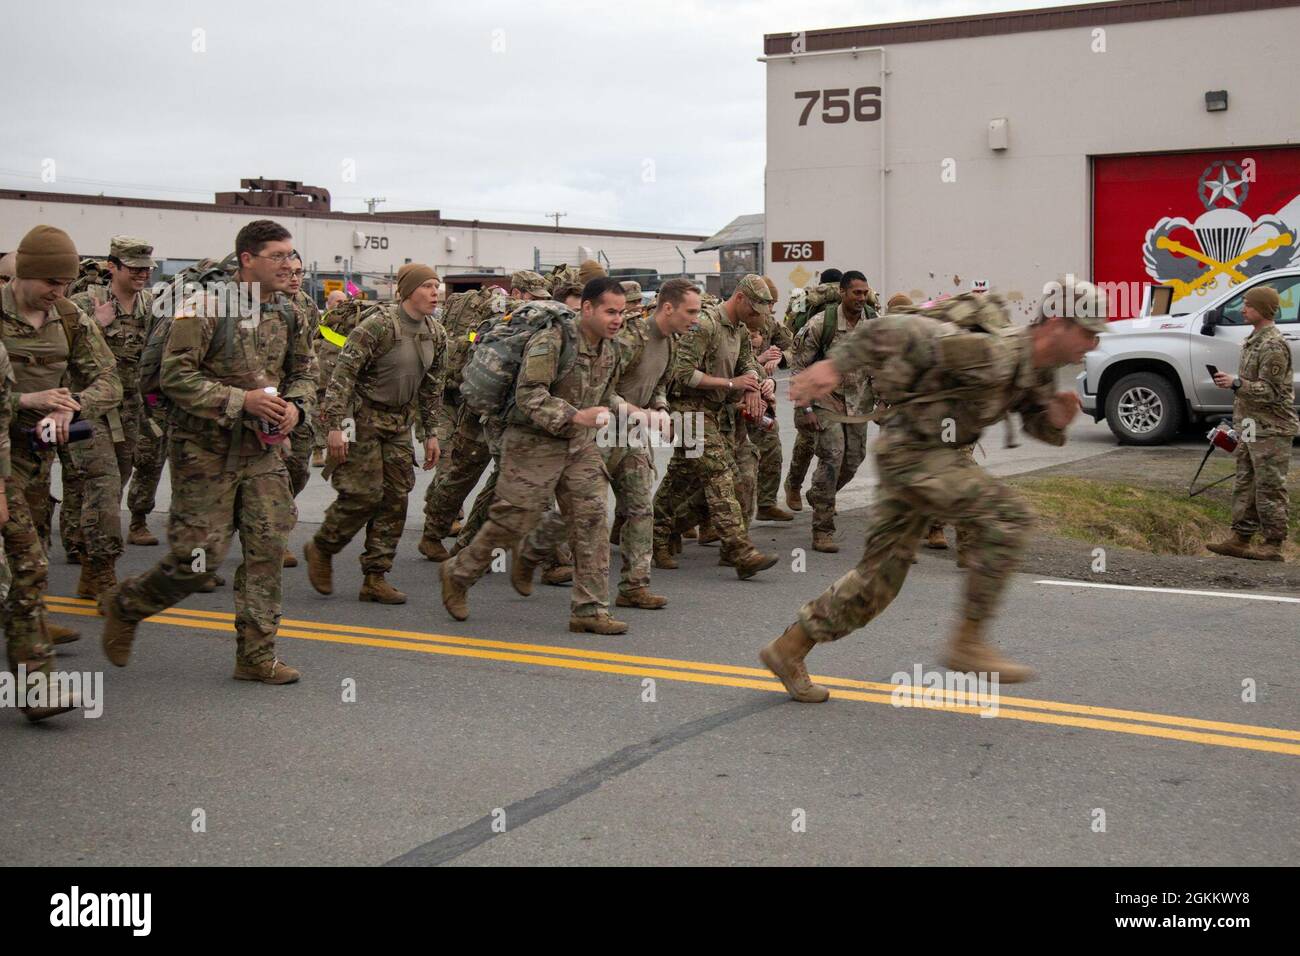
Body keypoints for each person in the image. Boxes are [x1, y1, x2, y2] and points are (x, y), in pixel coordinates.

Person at [760, 281, 1106, 702]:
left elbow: (1035, 421)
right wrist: (833, 367)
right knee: (1008, 517)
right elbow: (885, 332)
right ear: (1055, 323)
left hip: (931, 457)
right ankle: (969, 641)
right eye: (1087, 331)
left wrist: (1054, 418)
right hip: (914, 454)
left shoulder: (1037, 370)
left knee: (878, 580)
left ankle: (789, 648)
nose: (1093, 342)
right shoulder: (987, 351)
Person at [101, 219, 318, 684]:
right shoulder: (204, 307)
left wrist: (296, 408)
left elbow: (305, 369)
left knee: (267, 549)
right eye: (277, 255)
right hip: (205, 451)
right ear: (246, 259)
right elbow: (176, 378)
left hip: (262, 453)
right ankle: (127, 604)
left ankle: (256, 657)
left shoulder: (291, 311)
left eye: (291, 255)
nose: (289, 264)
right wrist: (243, 401)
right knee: (198, 560)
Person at [440, 276, 629, 634]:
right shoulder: (553, 339)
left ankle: (589, 609)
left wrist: (629, 409)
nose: (617, 319)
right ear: (587, 308)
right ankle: (459, 573)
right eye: (610, 311)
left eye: (621, 312)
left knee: (590, 519)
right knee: (511, 521)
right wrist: (574, 414)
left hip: (578, 444)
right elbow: (529, 395)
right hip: (533, 442)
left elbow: (604, 395)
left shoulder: (611, 348)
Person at [2, 225, 122, 719]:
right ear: (24, 273)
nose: (59, 291)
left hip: (33, 456)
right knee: (23, 567)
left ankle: (33, 681)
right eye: (50, 281)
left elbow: (109, 378)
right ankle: (37, 684)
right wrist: (24, 400)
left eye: (66, 282)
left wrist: (72, 406)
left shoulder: (69, 318)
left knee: (26, 567)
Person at [305, 264, 445, 602]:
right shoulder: (379, 325)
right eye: (427, 286)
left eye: (437, 286)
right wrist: (335, 427)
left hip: (399, 424)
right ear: (408, 290)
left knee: (396, 499)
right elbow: (342, 374)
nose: (435, 293)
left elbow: (431, 388)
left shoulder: (436, 333)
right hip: (362, 420)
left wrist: (430, 433)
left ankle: (375, 576)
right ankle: (323, 546)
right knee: (363, 494)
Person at [652, 274, 778, 579]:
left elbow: (747, 363)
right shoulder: (705, 325)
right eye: (755, 310)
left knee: (684, 479)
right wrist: (730, 383)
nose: (758, 318)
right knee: (720, 476)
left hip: (716, 413)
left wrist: (752, 385)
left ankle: (659, 531)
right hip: (689, 411)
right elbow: (682, 374)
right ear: (740, 299)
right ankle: (741, 551)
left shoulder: (739, 330)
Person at [65, 236, 156, 597]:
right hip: (88, 409)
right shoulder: (83, 305)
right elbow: (59, 352)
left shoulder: (151, 306)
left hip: (131, 409)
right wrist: (94, 324)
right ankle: (104, 575)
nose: (141, 275)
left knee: (114, 486)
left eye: (146, 269)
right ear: (113, 267)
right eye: (133, 268)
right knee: (101, 487)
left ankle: (90, 568)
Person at [604, 277, 699, 609]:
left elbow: (660, 384)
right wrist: (637, 413)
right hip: (598, 430)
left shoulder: (671, 341)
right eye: (690, 311)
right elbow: (601, 388)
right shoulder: (631, 337)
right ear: (668, 307)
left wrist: (659, 409)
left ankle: (633, 586)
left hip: (632, 433)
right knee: (580, 514)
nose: (695, 318)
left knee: (640, 508)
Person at [1207, 285, 1298, 562]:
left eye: (1247, 304)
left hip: (1271, 428)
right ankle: (1241, 538)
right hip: (1250, 425)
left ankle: (1273, 544)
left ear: (1262, 309)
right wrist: (1235, 383)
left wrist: (1236, 383)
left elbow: (1271, 391)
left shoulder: (1272, 345)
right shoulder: (1253, 339)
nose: (1242, 309)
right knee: (1245, 482)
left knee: (1269, 486)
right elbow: (1252, 385)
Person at [790, 270, 877, 553]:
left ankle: (818, 494)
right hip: (826, 402)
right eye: (856, 293)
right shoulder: (821, 324)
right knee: (833, 457)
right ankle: (822, 529)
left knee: (853, 460)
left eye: (864, 293)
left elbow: (882, 365)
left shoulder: (874, 325)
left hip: (859, 403)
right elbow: (799, 368)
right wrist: (805, 407)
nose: (861, 298)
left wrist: (886, 400)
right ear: (842, 292)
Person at [784, 267, 843, 512]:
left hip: (827, 380)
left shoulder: (803, 300)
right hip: (816, 378)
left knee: (819, 444)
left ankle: (809, 490)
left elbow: (788, 331)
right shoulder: (825, 308)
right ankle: (797, 486)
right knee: (815, 440)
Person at [279, 252, 319, 567]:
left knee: (298, 469)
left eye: (299, 272)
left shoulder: (307, 305)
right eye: (289, 272)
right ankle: (276, 537)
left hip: (298, 398)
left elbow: (308, 355)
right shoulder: (256, 303)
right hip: (264, 397)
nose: (295, 278)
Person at [752, 275, 795, 523]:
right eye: (767, 304)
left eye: (772, 305)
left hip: (761, 399)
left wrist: (779, 359)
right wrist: (759, 359)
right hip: (728, 400)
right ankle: (696, 521)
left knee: (771, 449)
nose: (769, 310)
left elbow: (794, 346)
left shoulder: (769, 324)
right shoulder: (729, 324)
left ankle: (766, 503)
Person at [311, 288, 349, 467]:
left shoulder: (351, 322)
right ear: (329, 303)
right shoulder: (320, 322)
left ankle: (343, 449)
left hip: (342, 378)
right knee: (320, 415)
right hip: (322, 377)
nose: (341, 305)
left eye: (344, 301)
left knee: (345, 415)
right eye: (338, 302)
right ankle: (318, 449)